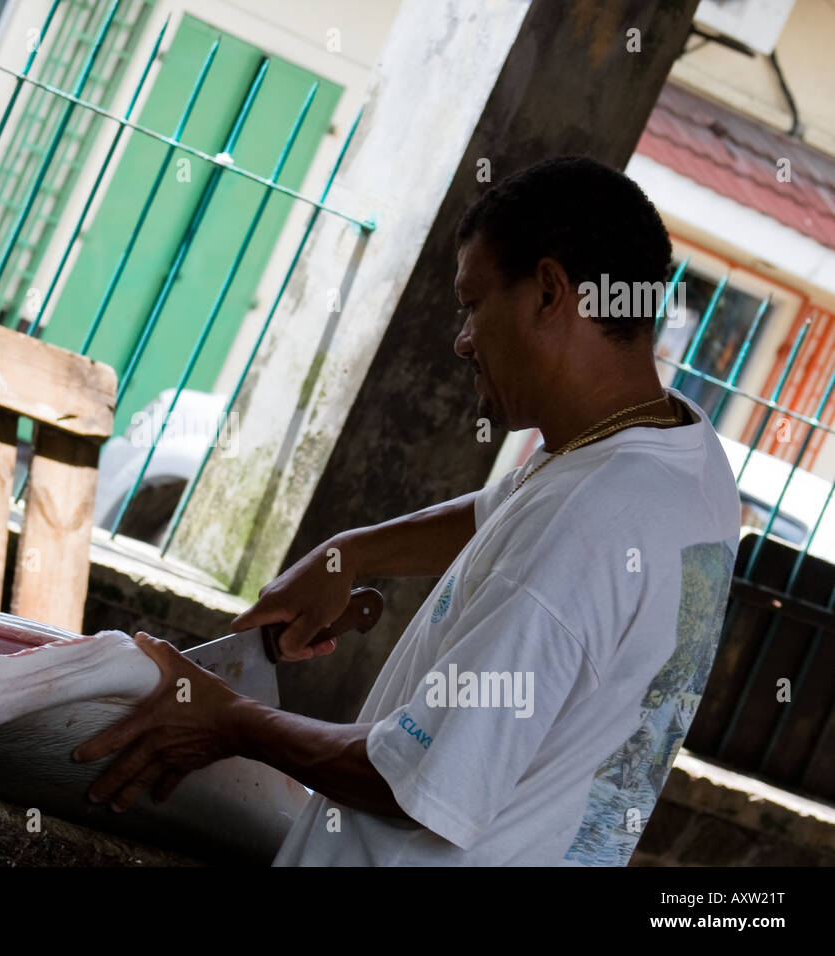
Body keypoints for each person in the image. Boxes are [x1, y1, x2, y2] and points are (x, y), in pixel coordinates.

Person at [72, 156, 742, 866]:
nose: (461, 340)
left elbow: (408, 781)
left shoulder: (586, 522)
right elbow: (504, 512)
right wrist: (351, 554)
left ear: (550, 292)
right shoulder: (679, 454)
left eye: (473, 304)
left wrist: (228, 722)